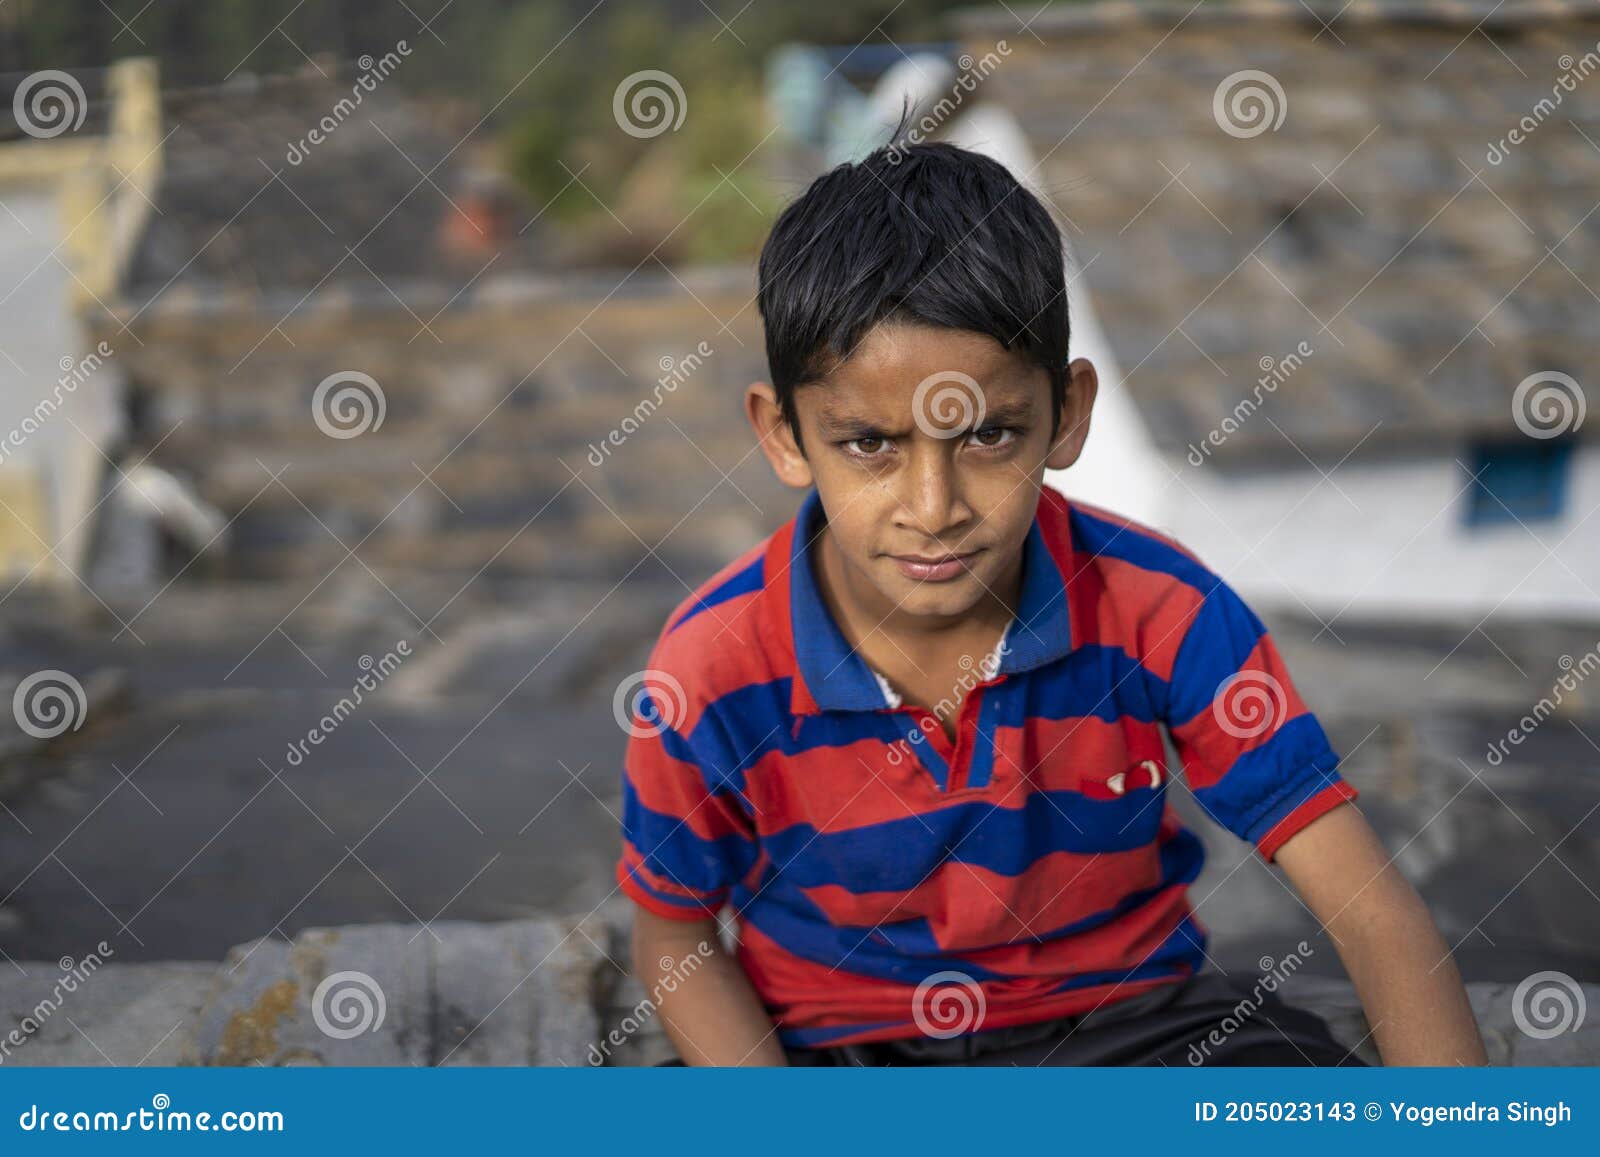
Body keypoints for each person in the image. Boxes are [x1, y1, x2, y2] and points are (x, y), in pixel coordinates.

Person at [615, 138, 1487, 1067]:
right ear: (785, 434)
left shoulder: (1162, 609)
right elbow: (675, 936)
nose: (933, 509)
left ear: (1067, 414)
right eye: (869, 443)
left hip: (1131, 1037)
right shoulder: (713, 664)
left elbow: (1368, 905)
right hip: (841, 1056)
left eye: (989, 434)